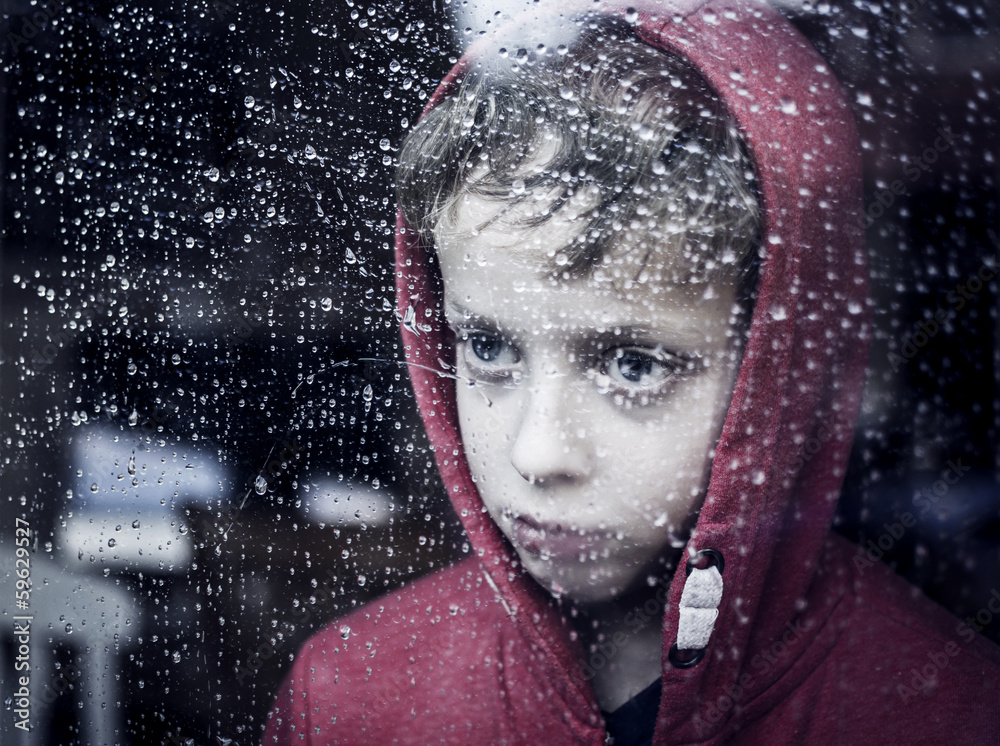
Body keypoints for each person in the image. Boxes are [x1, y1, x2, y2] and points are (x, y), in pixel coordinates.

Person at [265, 1, 1000, 743]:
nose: (538, 453)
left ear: (778, 371)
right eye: (488, 348)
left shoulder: (945, 711)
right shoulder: (352, 700)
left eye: (634, 363)